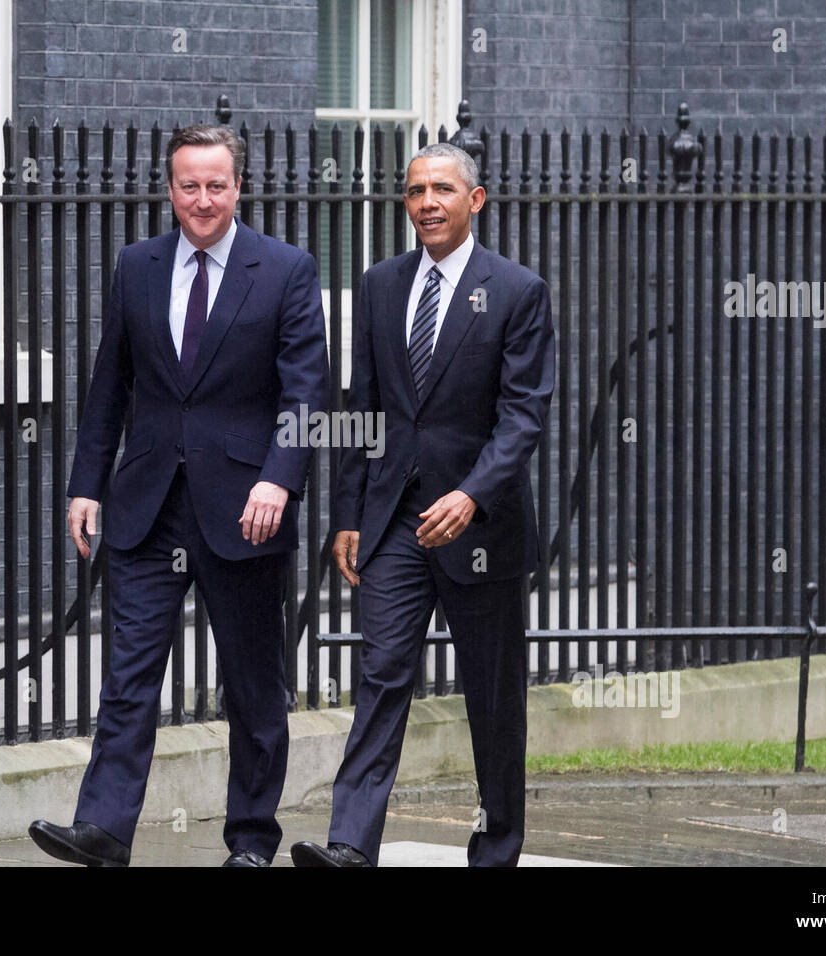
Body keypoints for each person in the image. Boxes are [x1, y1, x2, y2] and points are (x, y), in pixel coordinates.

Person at [29, 124, 329, 867]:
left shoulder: (287, 269)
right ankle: (102, 829)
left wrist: (278, 478)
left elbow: (307, 392)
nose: (202, 199)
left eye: (216, 185)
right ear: (170, 189)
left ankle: (252, 841)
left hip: (245, 510)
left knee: (253, 687)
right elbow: (111, 385)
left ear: (239, 188)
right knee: (129, 674)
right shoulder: (138, 265)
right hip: (148, 504)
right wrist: (85, 486)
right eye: (188, 185)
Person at [291, 142, 555, 868]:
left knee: (492, 700)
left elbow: (523, 417)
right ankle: (349, 843)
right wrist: (347, 513)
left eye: (442, 189)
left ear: (476, 201)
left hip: (480, 529)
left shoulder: (517, 290)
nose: (427, 203)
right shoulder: (380, 285)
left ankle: (496, 846)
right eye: (414, 192)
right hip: (394, 524)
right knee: (380, 677)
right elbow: (364, 407)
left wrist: (471, 496)